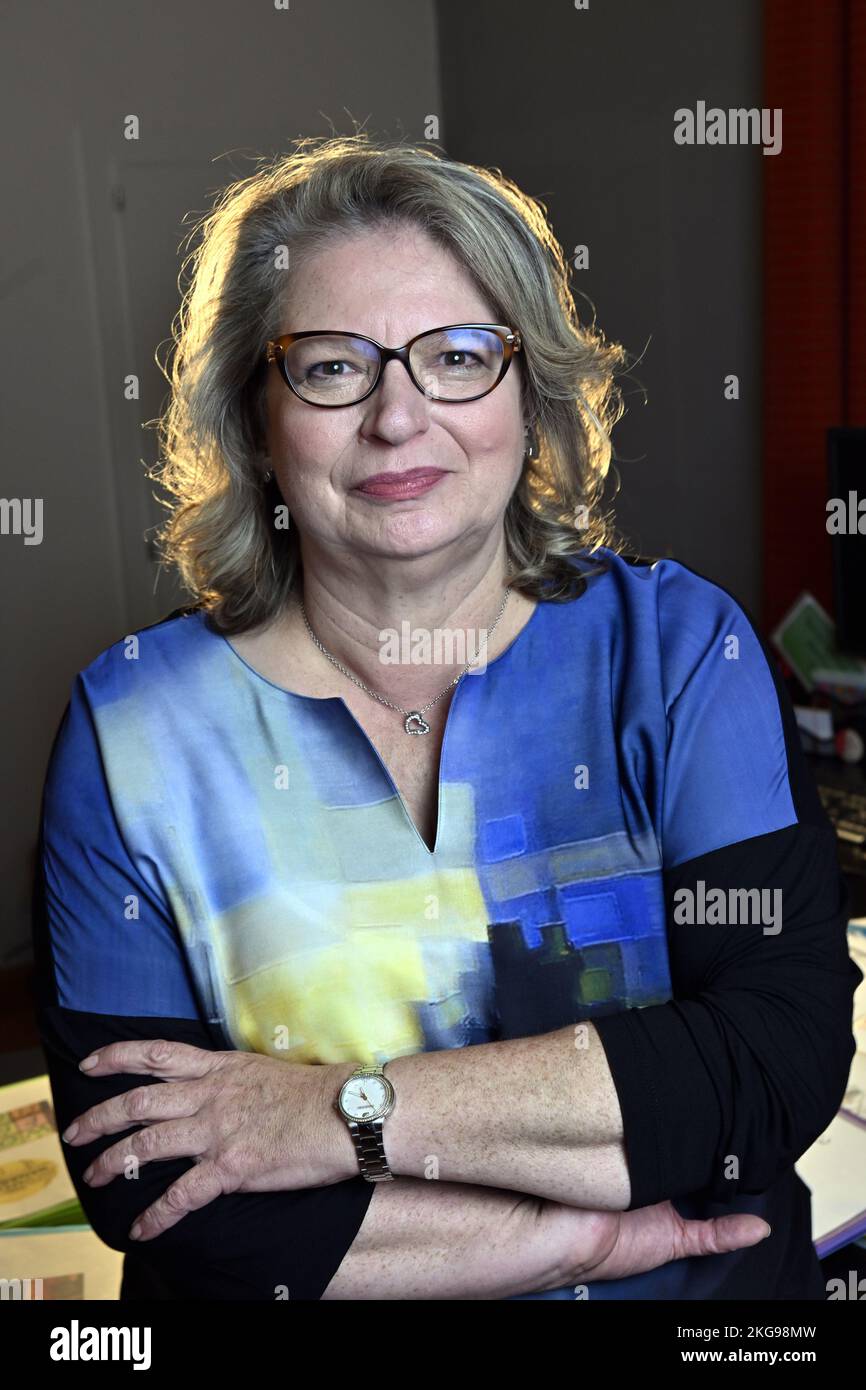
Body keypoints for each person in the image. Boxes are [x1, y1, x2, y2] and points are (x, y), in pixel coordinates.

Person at [33, 134, 861, 1300]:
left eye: (458, 357)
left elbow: (770, 1068)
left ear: (530, 391)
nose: (397, 417)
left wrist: (334, 1115)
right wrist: (564, 1239)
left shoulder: (680, 650)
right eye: (330, 367)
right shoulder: (134, 725)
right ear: (254, 417)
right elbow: (154, 1188)